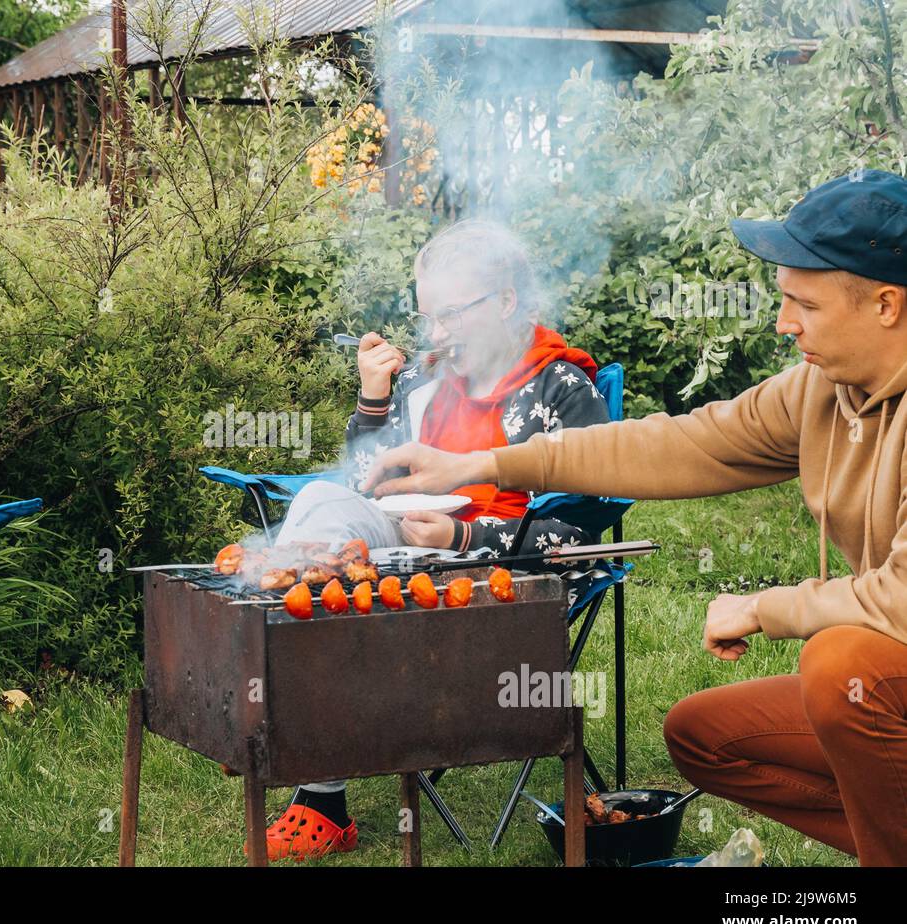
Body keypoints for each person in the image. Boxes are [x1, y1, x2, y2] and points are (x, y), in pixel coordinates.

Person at [363, 170, 907, 867]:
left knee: (838, 663)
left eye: (805, 304)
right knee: (703, 736)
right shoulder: (822, 389)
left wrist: (765, 606)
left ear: (886, 304)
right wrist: (482, 466)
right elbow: (682, 443)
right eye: (783, 301)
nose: (783, 323)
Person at [262, 220, 610, 862]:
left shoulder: (561, 389)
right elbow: (369, 476)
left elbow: (580, 528)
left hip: (503, 574)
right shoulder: (426, 385)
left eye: (451, 315)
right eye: (429, 318)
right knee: (317, 501)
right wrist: (373, 400)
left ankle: (318, 791)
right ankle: (287, 718)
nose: (438, 335)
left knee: (353, 573)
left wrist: (466, 532)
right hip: (401, 545)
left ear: (505, 302)